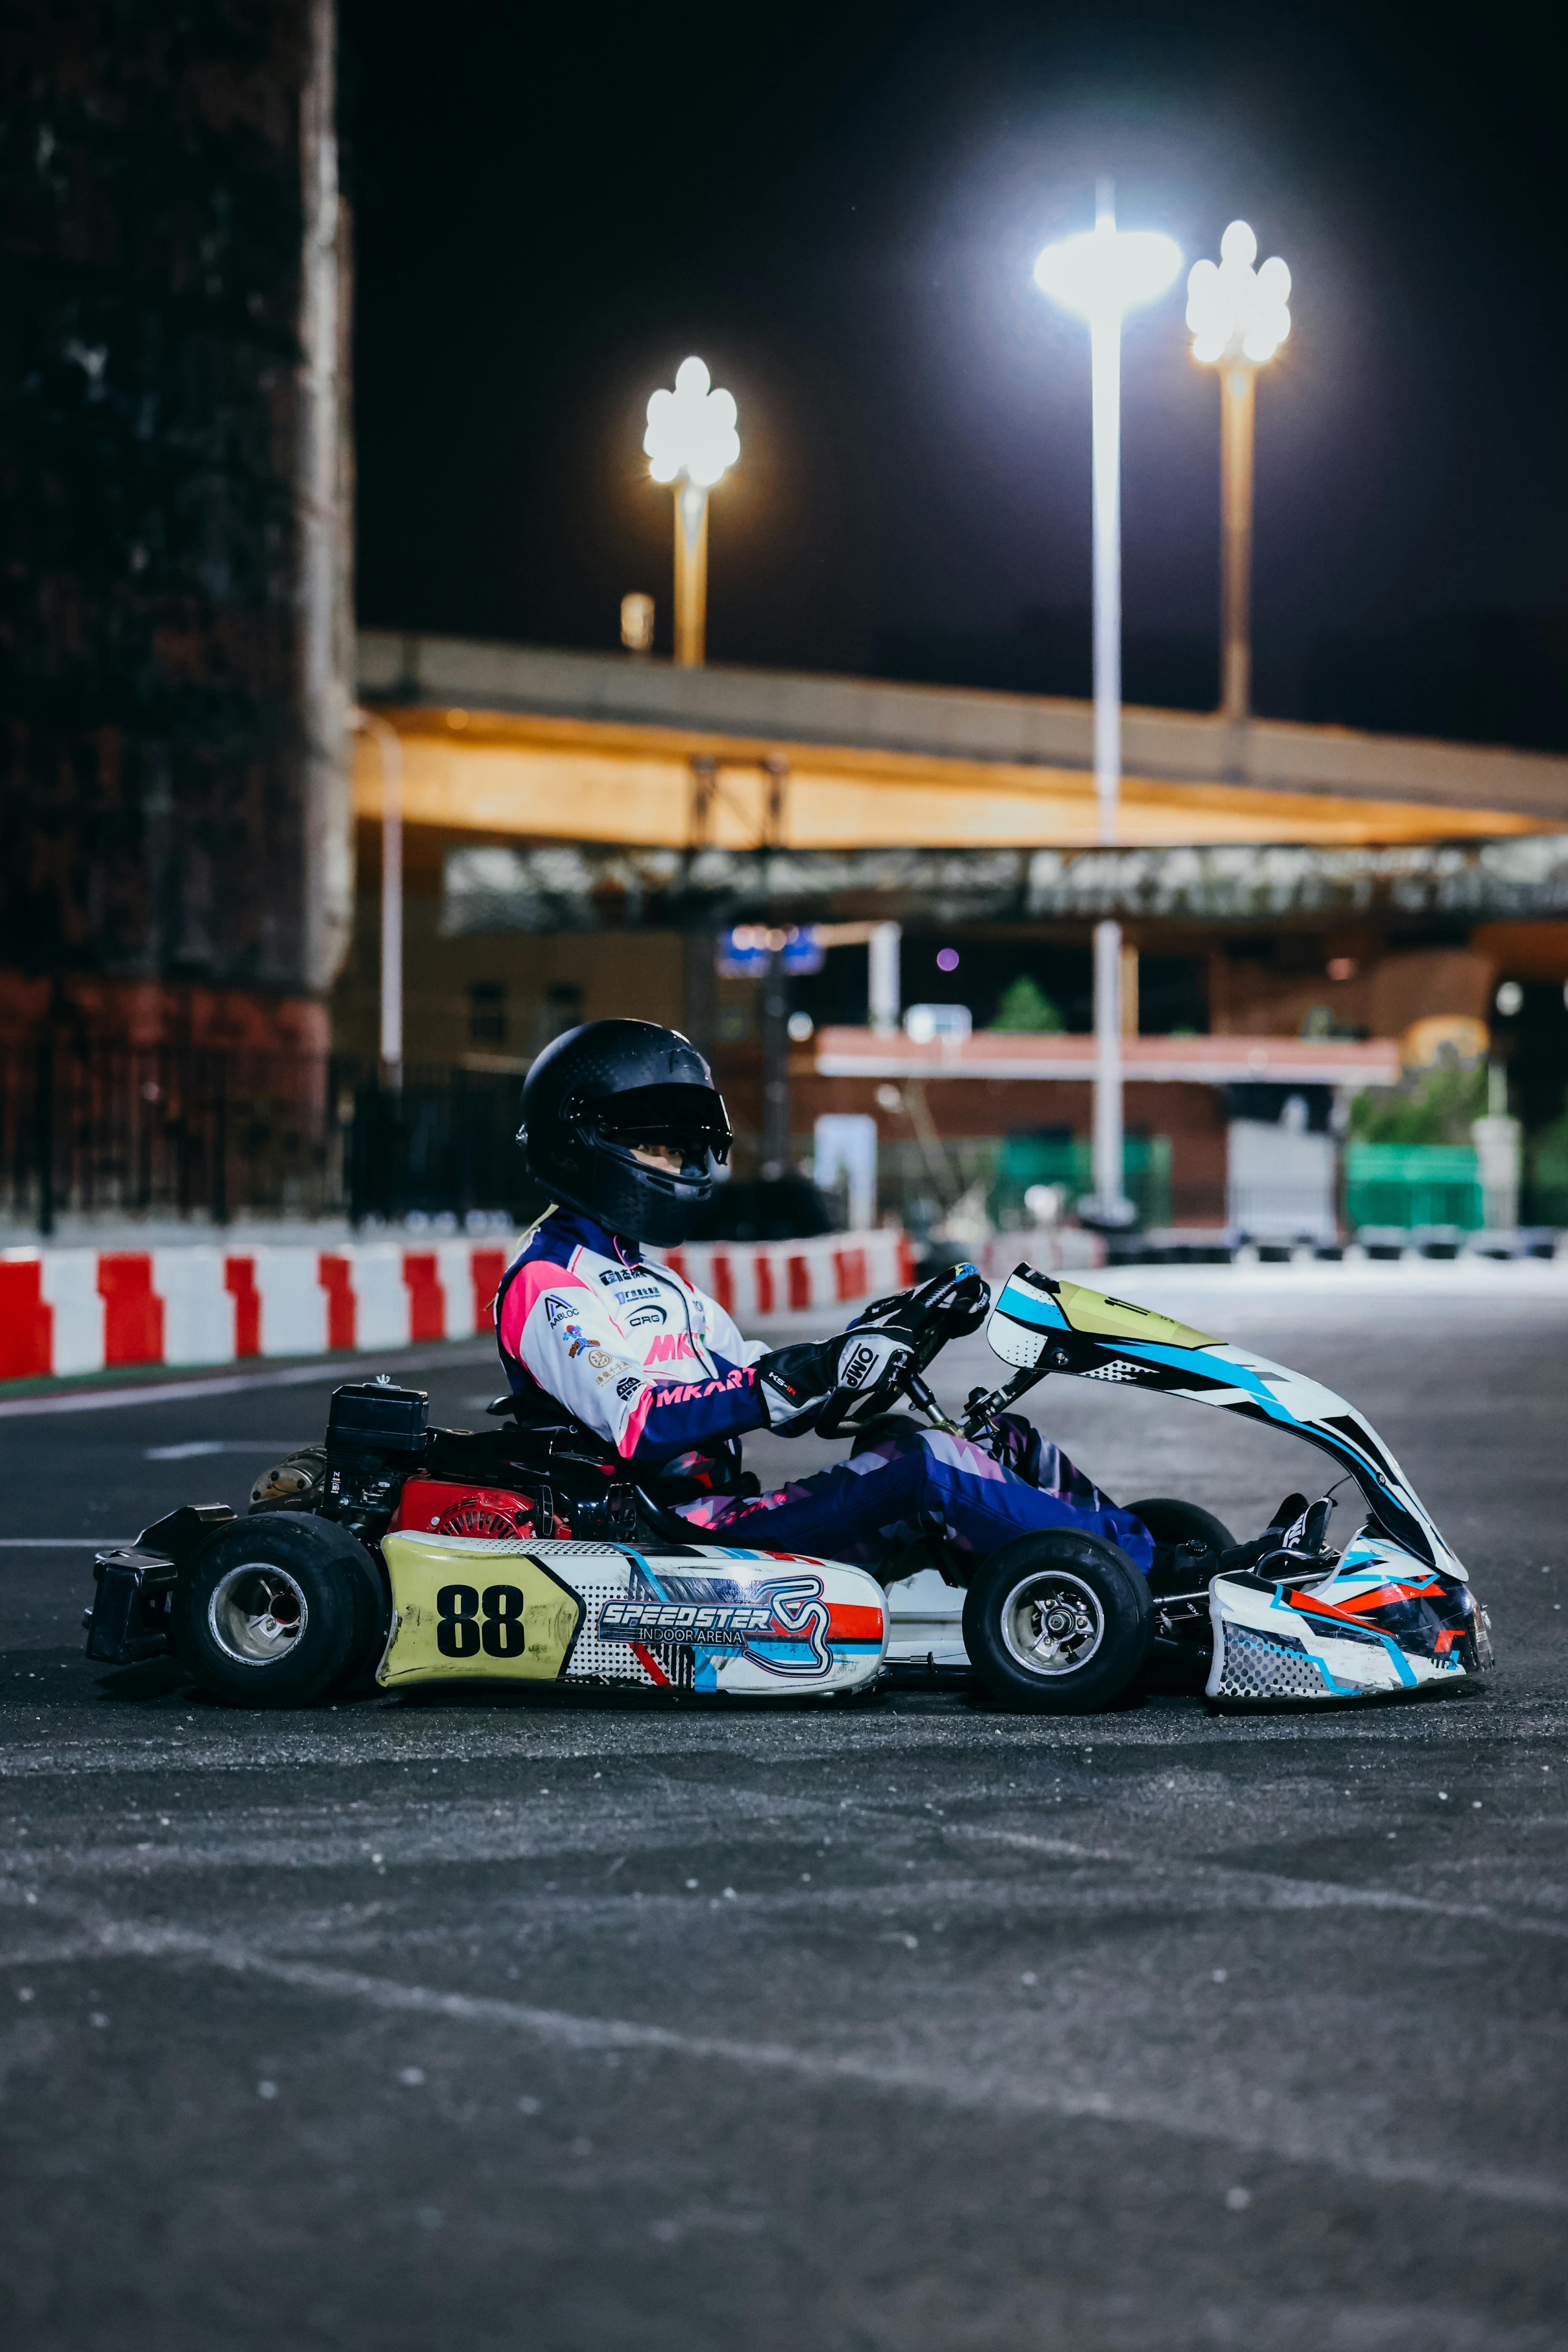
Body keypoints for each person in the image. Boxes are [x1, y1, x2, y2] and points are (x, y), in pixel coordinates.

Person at [496, 1017, 1156, 1578]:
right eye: (658, 1148)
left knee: (991, 1439)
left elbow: (770, 1392)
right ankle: (1130, 1578)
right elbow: (642, 1424)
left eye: (683, 1149)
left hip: (718, 1516)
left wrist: (868, 1346)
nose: (680, 1166)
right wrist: (802, 1374)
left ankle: (1143, 1552)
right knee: (929, 1468)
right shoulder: (547, 1283)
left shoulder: (659, 1283)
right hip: (674, 1536)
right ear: (581, 1139)